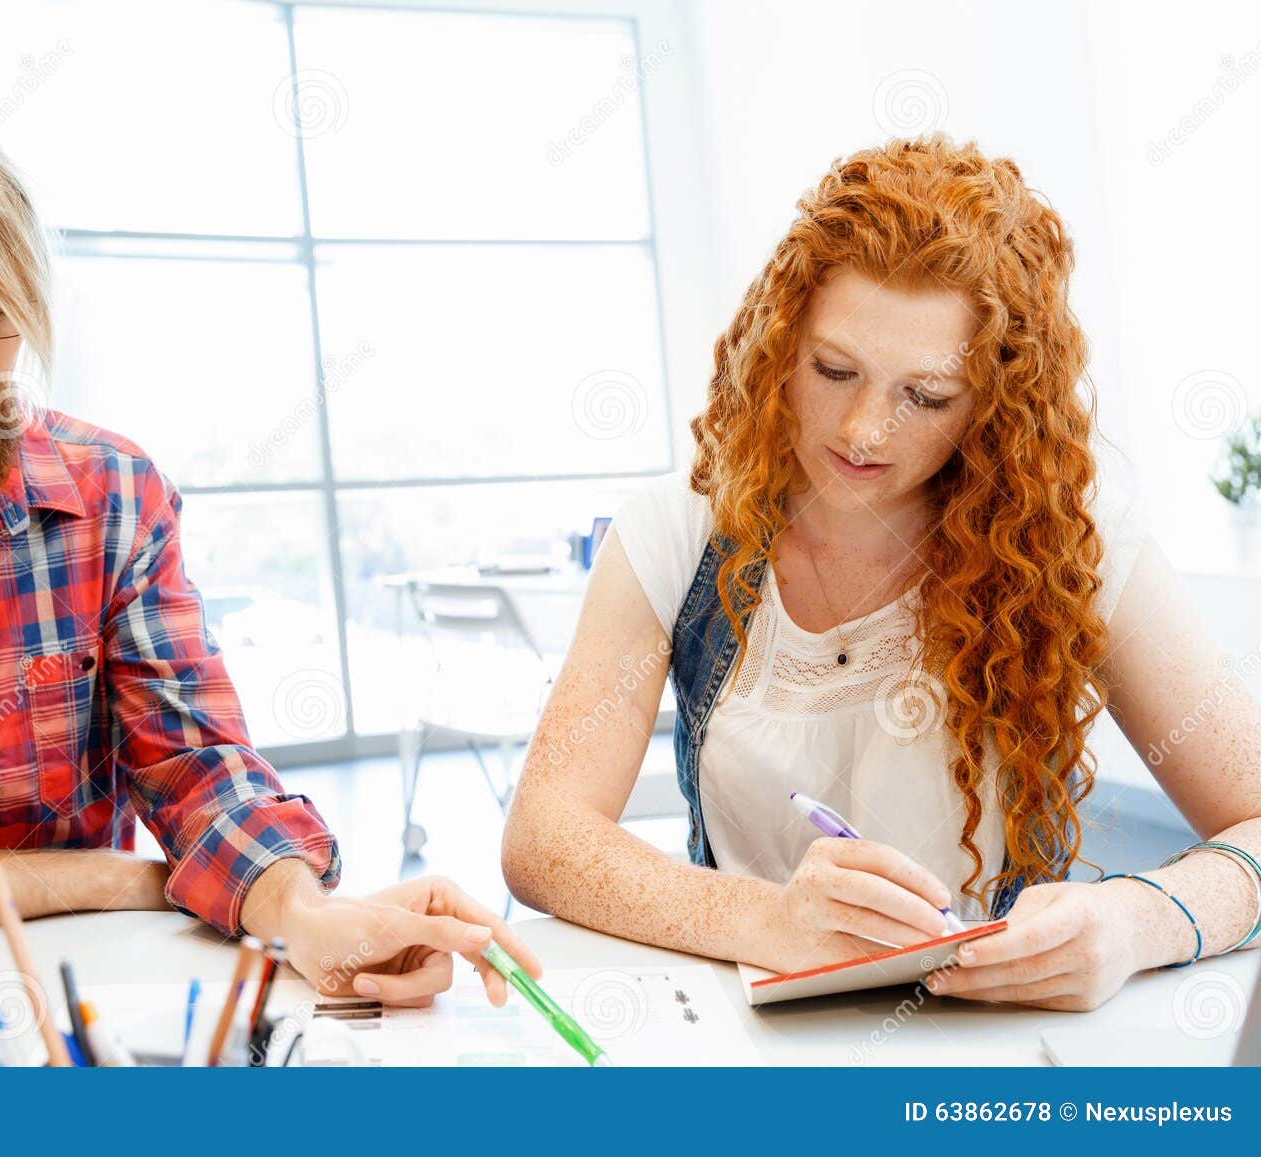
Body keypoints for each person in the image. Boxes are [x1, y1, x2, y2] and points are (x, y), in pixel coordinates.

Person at [0, 94, 538, 1008]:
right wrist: (121, 878)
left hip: (86, 1007)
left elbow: (202, 771)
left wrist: (301, 913)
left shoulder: (113, 493)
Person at [502, 136, 1261, 1011]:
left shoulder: (1071, 544)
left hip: (986, 1055)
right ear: (781, 344)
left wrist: (1140, 920)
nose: (864, 430)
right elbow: (543, 836)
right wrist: (771, 919)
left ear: (995, 400)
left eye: (926, 397)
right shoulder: (680, 531)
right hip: (734, 1048)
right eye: (834, 371)